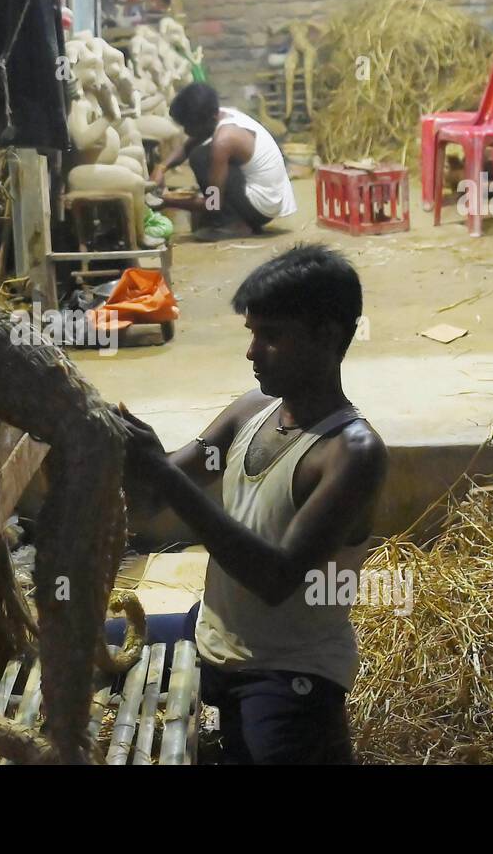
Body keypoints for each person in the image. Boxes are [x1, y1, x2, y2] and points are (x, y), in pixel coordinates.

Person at [114, 244, 387, 763]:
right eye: (252, 334)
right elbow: (152, 493)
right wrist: (110, 438)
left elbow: (276, 578)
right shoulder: (252, 411)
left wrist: (163, 479)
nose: (252, 352)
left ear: (327, 336)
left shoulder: (351, 453)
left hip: (286, 668)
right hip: (209, 632)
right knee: (83, 646)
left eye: (272, 336)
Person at [152, 82, 298, 242]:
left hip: (261, 208)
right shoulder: (221, 115)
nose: (186, 132)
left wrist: (168, 201)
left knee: (200, 157)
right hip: (269, 198)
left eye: (189, 126)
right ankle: (233, 218)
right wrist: (161, 167)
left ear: (211, 118)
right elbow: (188, 145)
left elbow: (213, 203)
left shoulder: (224, 140)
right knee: (198, 152)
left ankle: (232, 223)